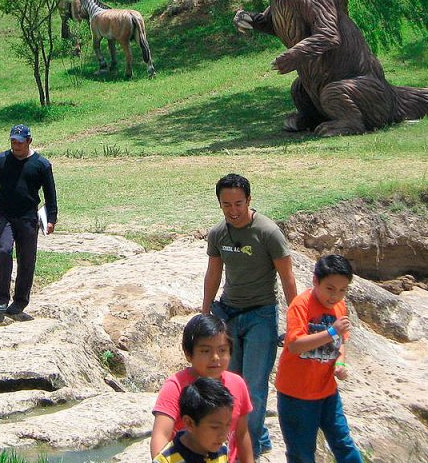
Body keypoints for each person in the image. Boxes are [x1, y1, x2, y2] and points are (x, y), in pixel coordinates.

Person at [201, 173, 298, 458]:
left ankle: (248, 452)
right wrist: (205, 311)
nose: (233, 210)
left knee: (254, 387)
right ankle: (259, 438)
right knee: (230, 385)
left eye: (238, 204)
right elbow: (214, 272)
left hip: (261, 316)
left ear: (249, 200)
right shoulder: (218, 233)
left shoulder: (268, 232)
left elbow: (288, 277)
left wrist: (297, 320)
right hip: (228, 314)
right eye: (226, 204)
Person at [275, 254, 362, 463]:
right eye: (330, 288)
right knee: (301, 452)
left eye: (342, 290)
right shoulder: (301, 305)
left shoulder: (339, 307)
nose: (335, 296)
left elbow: (342, 342)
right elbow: (295, 345)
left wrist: (340, 363)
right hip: (296, 394)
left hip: (326, 391)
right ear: (316, 281)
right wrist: (331, 332)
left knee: (343, 442)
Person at [151, 314, 254, 463]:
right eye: (206, 351)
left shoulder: (237, 384)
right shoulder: (176, 386)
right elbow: (161, 434)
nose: (215, 357)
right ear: (188, 354)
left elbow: (242, 433)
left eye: (222, 350)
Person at [0, 123, 57, 316]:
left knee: (26, 260)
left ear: (29, 141)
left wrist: (51, 219)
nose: (16, 145)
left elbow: (50, 194)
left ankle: (20, 301)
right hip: (6, 215)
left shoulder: (42, 164)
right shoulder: (0, 161)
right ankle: (1, 298)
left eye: (20, 142)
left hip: (29, 218)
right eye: (13, 141)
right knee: (4, 252)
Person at [153, 377, 234, 463]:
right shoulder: (165, 461)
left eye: (228, 424)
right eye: (215, 427)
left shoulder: (222, 450)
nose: (223, 436)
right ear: (189, 423)